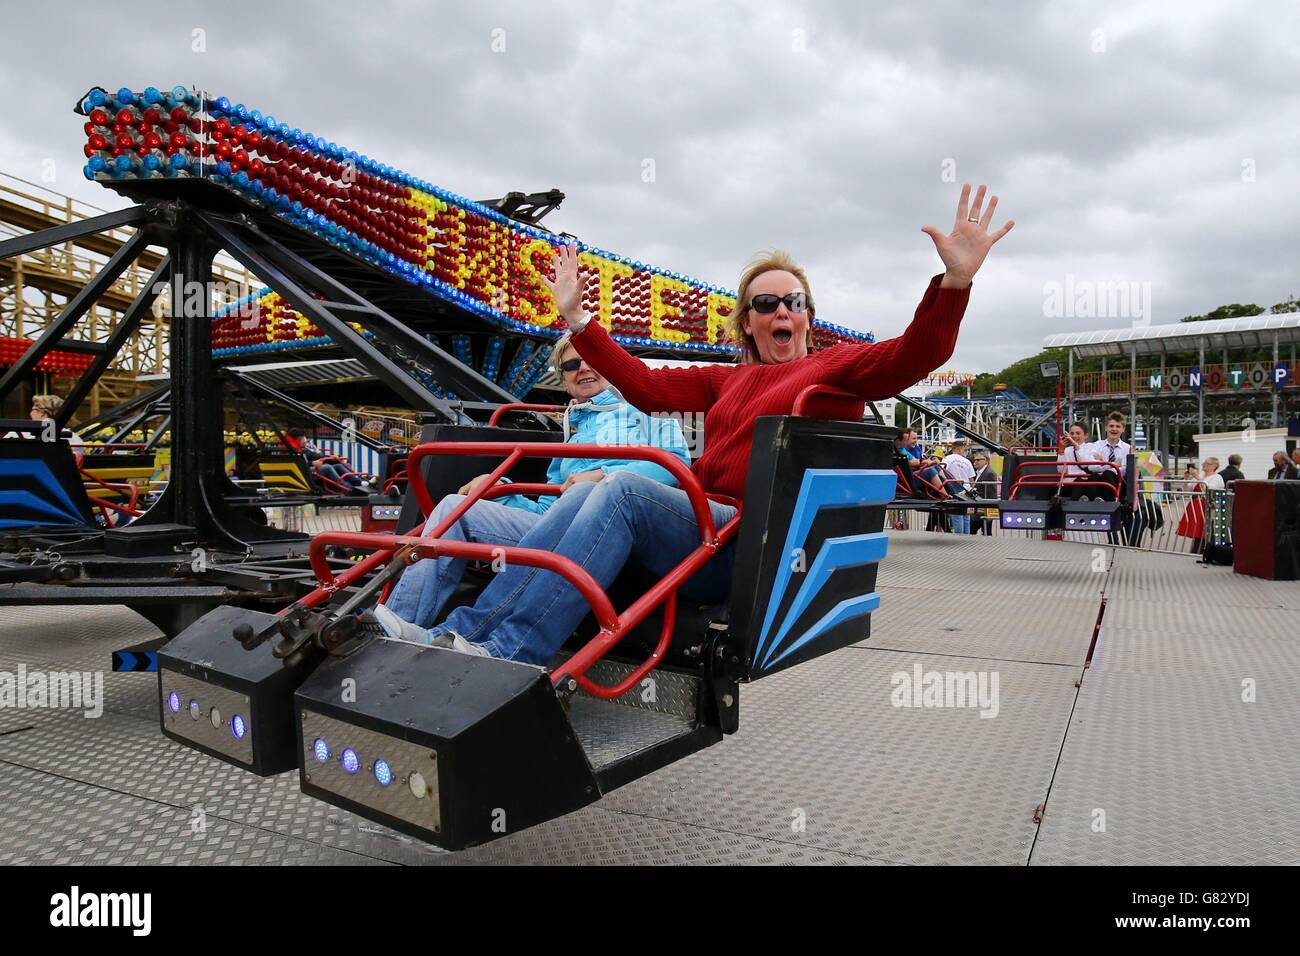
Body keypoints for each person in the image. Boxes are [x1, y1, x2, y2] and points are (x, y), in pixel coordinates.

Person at [391, 183, 1012, 662]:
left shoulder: (835, 371)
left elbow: (917, 354)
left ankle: (501, 644)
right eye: (765, 303)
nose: (780, 312)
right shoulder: (726, 378)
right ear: (747, 321)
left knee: (623, 490)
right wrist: (580, 324)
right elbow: (645, 386)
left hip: (734, 544)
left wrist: (955, 283)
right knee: (479, 504)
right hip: (688, 526)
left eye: (792, 302)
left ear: (807, 315)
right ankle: (416, 629)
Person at [370, 332, 691, 642]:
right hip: (559, 522)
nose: (583, 368)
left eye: (592, 358)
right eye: (571, 365)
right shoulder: (575, 431)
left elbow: (675, 464)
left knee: (578, 498)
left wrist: (602, 475)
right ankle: (398, 625)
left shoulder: (645, 405)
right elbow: (548, 505)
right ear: (564, 379)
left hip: (616, 528)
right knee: (456, 507)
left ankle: (459, 632)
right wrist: (501, 488)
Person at [285, 428, 376, 493]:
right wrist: (312, 462)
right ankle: (349, 488)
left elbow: (313, 456)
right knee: (327, 467)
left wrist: (332, 457)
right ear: (298, 438)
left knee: (338, 465)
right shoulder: (294, 448)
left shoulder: (300, 447)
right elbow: (304, 460)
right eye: (303, 437)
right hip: (304, 474)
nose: (305, 439)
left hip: (306, 469)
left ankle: (360, 483)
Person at [5, 395, 85, 464]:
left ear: (43, 413)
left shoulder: (24, 432)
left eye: (34, 409)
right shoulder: (73, 438)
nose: (31, 413)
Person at [1080, 411, 1131, 501]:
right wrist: (1112, 464)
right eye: (1111, 426)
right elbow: (1092, 467)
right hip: (1099, 482)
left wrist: (1102, 462)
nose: (1114, 429)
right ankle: (1094, 503)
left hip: (1117, 483)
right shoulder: (1097, 445)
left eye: (1118, 426)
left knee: (1108, 474)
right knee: (1093, 476)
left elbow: (1123, 471)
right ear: (1106, 428)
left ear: (1123, 429)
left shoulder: (1127, 448)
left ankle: (1110, 503)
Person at [1176, 458, 1221, 553]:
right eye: (1204, 462)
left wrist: (1197, 476)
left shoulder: (1217, 477)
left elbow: (1210, 489)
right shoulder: (1201, 476)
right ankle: (1196, 550)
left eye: (1207, 463)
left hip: (1206, 506)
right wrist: (1186, 478)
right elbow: (1186, 490)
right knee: (1196, 529)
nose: (1203, 464)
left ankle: (1202, 551)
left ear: (1214, 466)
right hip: (1195, 505)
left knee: (1203, 529)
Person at [941, 439, 976, 533]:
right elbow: (971, 480)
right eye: (964, 450)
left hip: (954, 491)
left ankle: (959, 539)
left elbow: (942, 473)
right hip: (967, 491)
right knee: (966, 518)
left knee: (957, 517)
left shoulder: (947, 459)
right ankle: (966, 539)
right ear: (960, 449)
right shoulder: (967, 461)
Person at [1055, 421, 1093, 499]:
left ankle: (1074, 509)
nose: (1074, 436)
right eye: (1072, 434)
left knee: (1078, 483)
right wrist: (1061, 450)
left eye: (1078, 433)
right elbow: (1061, 470)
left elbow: (1084, 464)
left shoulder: (1091, 447)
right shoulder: (1067, 450)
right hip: (1069, 481)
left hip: (1085, 480)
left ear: (1085, 435)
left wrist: (1076, 446)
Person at [970, 451, 998, 534]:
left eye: (978, 460)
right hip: (978, 508)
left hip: (984, 509)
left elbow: (992, 493)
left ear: (986, 460)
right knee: (983, 531)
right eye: (974, 460)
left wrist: (991, 512)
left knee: (985, 531)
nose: (975, 462)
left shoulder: (989, 473)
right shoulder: (980, 472)